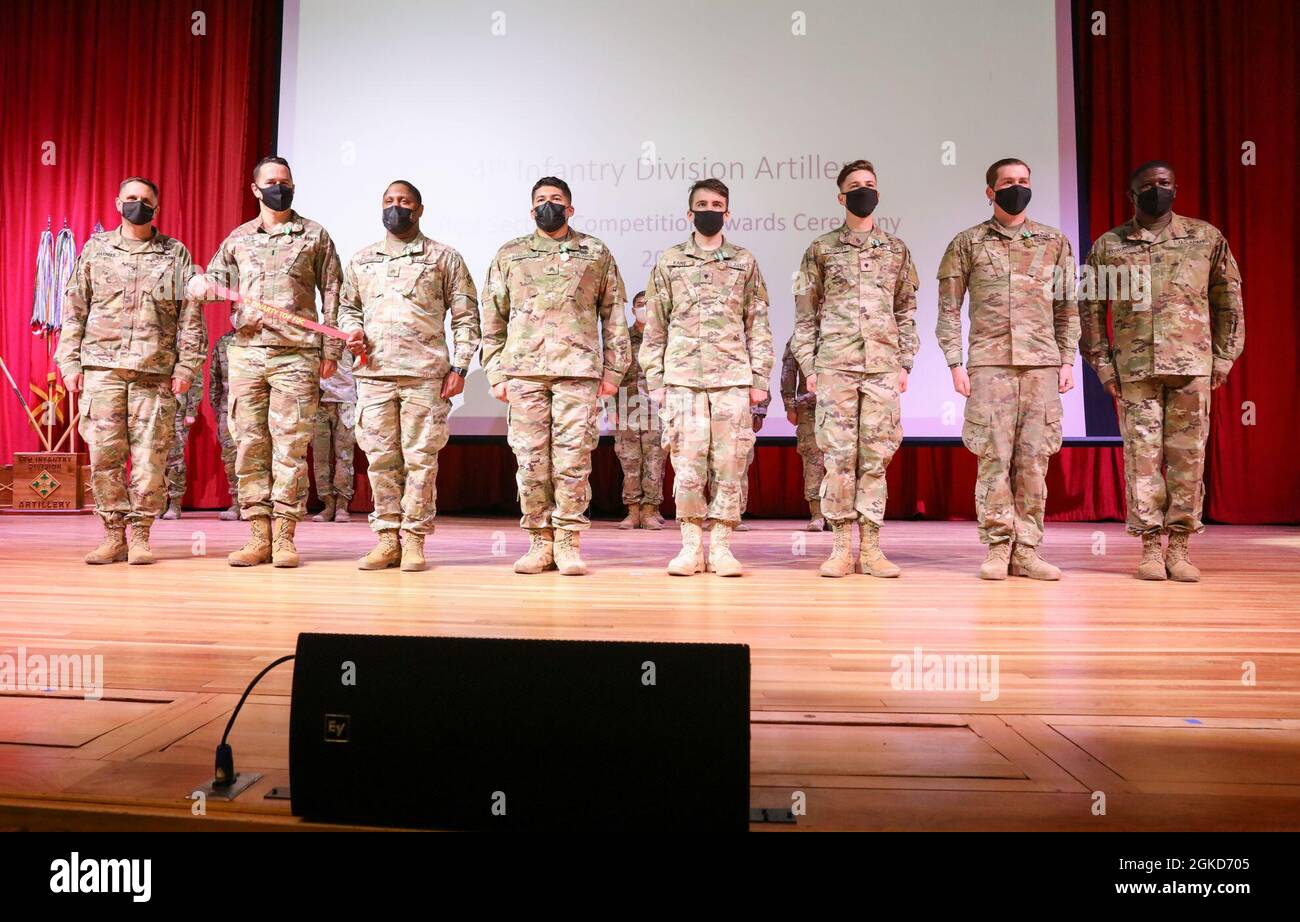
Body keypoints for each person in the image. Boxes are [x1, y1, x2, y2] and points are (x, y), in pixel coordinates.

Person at [1079, 160, 1244, 581]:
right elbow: (1090, 311)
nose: (1158, 190)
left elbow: (1230, 301)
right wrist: (1102, 365)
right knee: (1142, 460)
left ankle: (1180, 547)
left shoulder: (1205, 238)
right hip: (1134, 371)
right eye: (1148, 186)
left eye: (1165, 183)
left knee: (1187, 459)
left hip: (1191, 366)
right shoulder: (1110, 245)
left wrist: (1223, 358)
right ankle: (1151, 547)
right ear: (1131, 195)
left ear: (1176, 188)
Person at [188, 156, 343, 567]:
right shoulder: (238, 239)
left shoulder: (315, 235)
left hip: (297, 355)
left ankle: (286, 538)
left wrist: (332, 351)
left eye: (286, 181)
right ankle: (258, 534)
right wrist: (199, 282)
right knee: (250, 445)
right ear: (256, 190)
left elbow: (333, 294)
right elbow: (212, 283)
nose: (281, 187)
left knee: (290, 448)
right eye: (272, 182)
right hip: (247, 354)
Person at [936, 157, 1079, 580]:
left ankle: (1028, 550)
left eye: (1023, 181)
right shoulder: (968, 242)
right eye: (1007, 182)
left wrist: (1067, 359)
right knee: (993, 459)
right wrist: (954, 363)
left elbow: (1069, 307)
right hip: (989, 365)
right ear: (990, 191)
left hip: (1041, 367)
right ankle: (998, 547)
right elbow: (948, 309)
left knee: (1034, 461)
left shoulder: (1054, 242)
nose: (1016, 187)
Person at [481, 177, 630, 575]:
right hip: (525, 372)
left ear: (571, 208)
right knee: (530, 461)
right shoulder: (510, 254)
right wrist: (495, 372)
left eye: (557, 199)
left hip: (577, 373)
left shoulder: (595, 253)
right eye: (542, 200)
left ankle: (567, 541)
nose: (549, 205)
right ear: (532, 211)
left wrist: (614, 372)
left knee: (572, 461)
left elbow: (614, 314)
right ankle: (538, 541)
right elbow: (492, 318)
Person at [55, 177, 205, 564]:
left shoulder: (174, 254)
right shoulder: (97, 249)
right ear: (117, 202)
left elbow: (191, 316)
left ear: (158, 206)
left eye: (146, 200)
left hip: (153, 373)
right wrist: (69, 361)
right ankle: (112, 535)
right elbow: (74, 307)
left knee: (150, 460)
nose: (138, 204)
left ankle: (140, 535)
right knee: (105, 457)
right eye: (131, 199)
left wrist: (187, 366)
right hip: (102, 370)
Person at [340, 179, 481, 571]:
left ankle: (415, 540)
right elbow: (347, 308)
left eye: (404, 201)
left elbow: (467, 316)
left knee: (420, 460)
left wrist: (461, 366)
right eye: (388, 201)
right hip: (374, 375)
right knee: (381, 461)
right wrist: (351, 330)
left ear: (419, 209)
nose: (395, 207)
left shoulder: (444, 258)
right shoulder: (362, 260)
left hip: (425, 377)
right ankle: (387, 540)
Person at [641, 178, 774, 576]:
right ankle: (689, 546)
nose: (710, 210)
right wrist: (657, 380)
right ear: (690, 213)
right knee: (687, 463)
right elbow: (654, 328)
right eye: (702, 204)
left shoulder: (744, 261)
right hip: (682, 379)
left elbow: (759, 324)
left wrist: (760, 379)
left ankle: (721, 546)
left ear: (727, 213)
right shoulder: (669, 262)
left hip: (732, 379)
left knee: (730, 464)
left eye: (717, 204)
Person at [792, 159, 918, 578]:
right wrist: (810, 366)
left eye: (870, 184)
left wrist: (906, 363)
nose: (864, 191)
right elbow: (805, 317)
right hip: (836, 368)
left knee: (875, 457)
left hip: (882, 369)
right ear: (841, 197)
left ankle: (874, 547)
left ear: (877, 194)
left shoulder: (896, 250)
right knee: (839, 458)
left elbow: (906, 311)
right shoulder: (820, 250)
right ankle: (842, 547)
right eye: (855, 186)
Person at [613, 290, 665, 529]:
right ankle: (633, 511)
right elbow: (612, 375)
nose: (643, 308)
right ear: (632, 310)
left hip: (656, 409)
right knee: (629, 462)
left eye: (648, 304)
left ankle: (650, 511)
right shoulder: (623, 339)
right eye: (639, 304)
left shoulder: (663, 339)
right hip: (627, 408)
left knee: (654, 462)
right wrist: (610, 407)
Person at [779, 337, 826, 531]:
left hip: (842, 405)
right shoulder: (800, 338)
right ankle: (817, 513)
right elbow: (788, 372)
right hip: (810, 407)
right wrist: (790, 405)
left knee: (841, 460)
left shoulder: (842, 330)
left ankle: (839, 515)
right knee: (813, 459)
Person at [311, 350, 356, 523]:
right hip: (318, 400)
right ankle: (328, 504)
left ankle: (342, 505)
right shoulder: (313, 332)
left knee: (344, 455)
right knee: (320, 456)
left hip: (345, 399)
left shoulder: (349, 329)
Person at [161, 362, 204, 519]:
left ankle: (175, 503)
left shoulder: (184, 353)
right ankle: (159, 502)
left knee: (175, 457)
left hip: (177, 410)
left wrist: (191, 411)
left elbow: (196, 382)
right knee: (155, 458)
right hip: (155, 410)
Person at [207, 328, 240, 520]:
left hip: (254, 405)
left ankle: (256, 505)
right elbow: (215, 379)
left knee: (256, 455)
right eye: (234, 310)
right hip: (228, 408)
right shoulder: (223, 342)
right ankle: (237, 503)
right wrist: (218, 408)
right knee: (230, 457)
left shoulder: (261, 339)